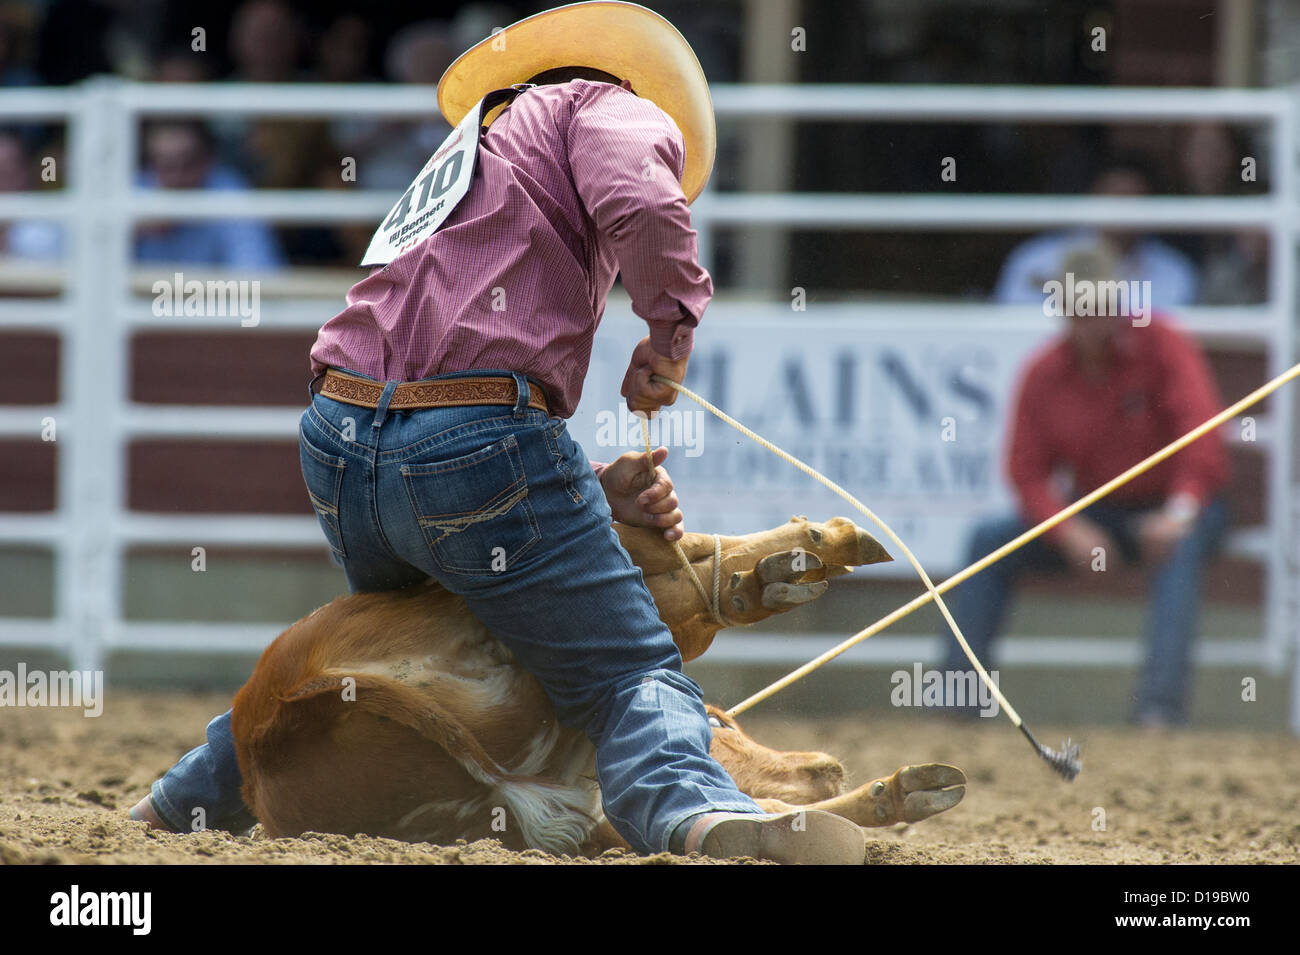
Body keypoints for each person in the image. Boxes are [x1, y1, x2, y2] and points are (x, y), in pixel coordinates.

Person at [129, 1, 866, 864]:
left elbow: (437, 376)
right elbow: (640, 200)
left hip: (339, 430)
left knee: (398, 633)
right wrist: (671, 331)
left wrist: (583, 484)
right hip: (474, 441)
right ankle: (692, 814)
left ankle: (180, 801)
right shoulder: (611, 106)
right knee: (630, 667)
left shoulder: (477, 140)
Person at [941, 243, 1230, 727]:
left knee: (1177, 550)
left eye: (1099, 305)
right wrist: (1069, 530)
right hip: (1095, 511)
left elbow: (1202, 441)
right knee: (986, 543)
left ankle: (1158, 712)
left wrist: (1179, 513)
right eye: (1081, 307)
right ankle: (959, 705)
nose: (1092, 318)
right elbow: (1025, 471)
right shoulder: (1044, 372)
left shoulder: (1164, 344)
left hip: (1178, 506)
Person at [993, 153, 1198, 307]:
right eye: (1113, 195)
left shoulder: (1174, 272)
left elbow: (1154, 338)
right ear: (1092, 195)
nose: (1121, 207)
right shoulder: (1035, 260)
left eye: (1133, 198)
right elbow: (1014, 326)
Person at [134, 119, 285, 269]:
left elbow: (257, 274)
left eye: (187, 163)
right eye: (165, 166)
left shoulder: (231, 197)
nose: (176, 178)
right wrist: (131, 231)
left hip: (212, 293)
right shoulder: (130, 195)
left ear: (208, 160)